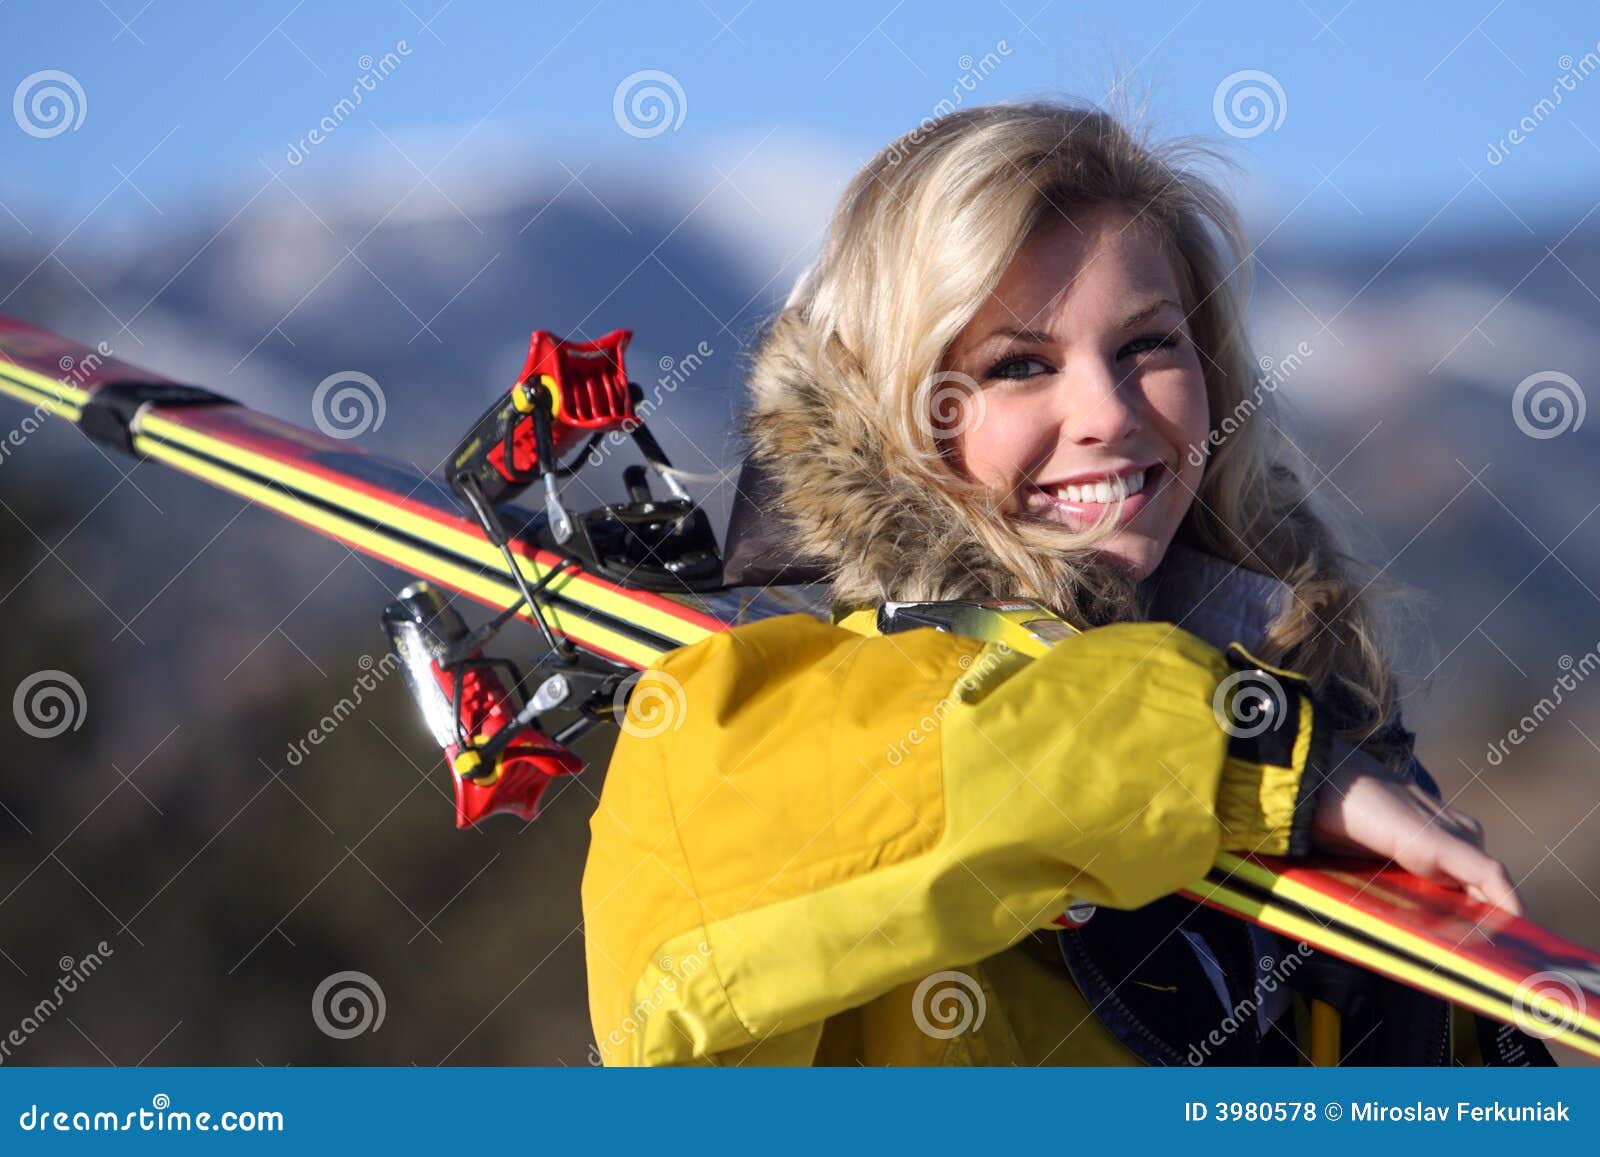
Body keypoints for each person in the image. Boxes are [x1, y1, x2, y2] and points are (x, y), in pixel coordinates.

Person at [580, 99, 1548, 1066]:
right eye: (1016, 364)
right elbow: (982, 767)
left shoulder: (1324, 736)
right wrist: (1242, 752)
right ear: (883, 418)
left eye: (1146, 345)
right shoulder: (741, 731)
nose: (1106, 412)